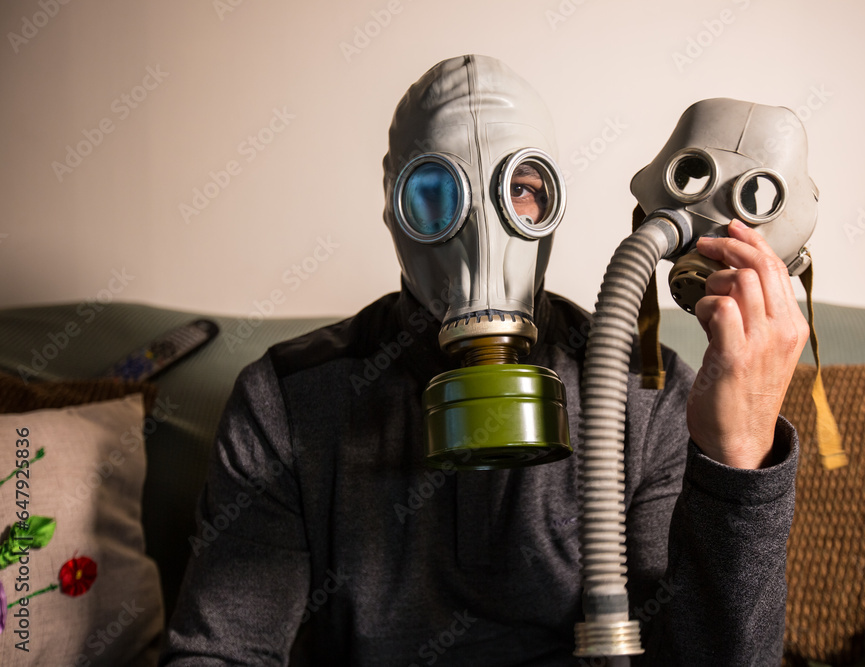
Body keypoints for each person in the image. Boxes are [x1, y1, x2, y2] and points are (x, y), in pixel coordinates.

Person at [161, 54, 809, 666]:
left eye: (521, 189)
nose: (481, 231)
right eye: (435, 192)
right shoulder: (290, 402)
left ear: (551, 210)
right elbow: (223, 651)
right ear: (395, 213)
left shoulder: (650, 394)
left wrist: (738, 454)